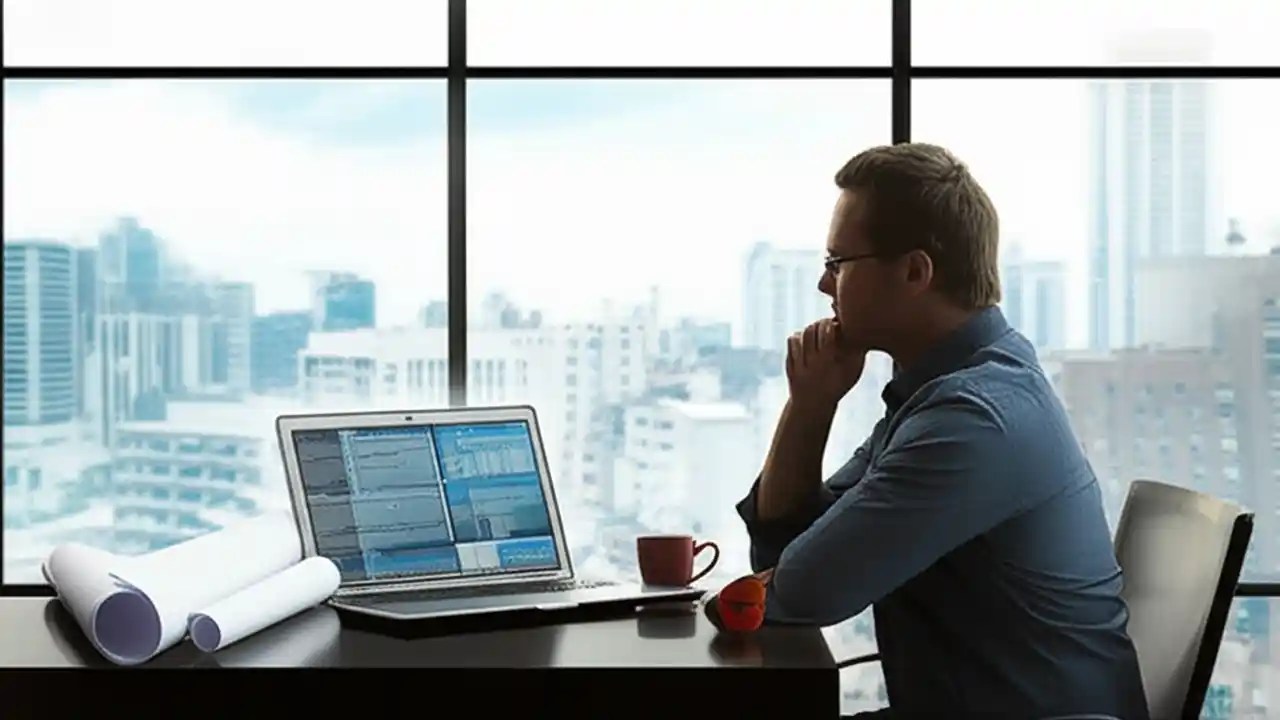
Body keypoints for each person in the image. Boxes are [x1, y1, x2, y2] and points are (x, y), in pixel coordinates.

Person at [735, 143, 1150, 719]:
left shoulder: (973, 419)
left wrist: (767, 584)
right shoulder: (938, 393)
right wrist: (810, 406)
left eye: (837, 264)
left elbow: (803, 591)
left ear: (914, 272)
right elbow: (785, 546)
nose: (823, 287)